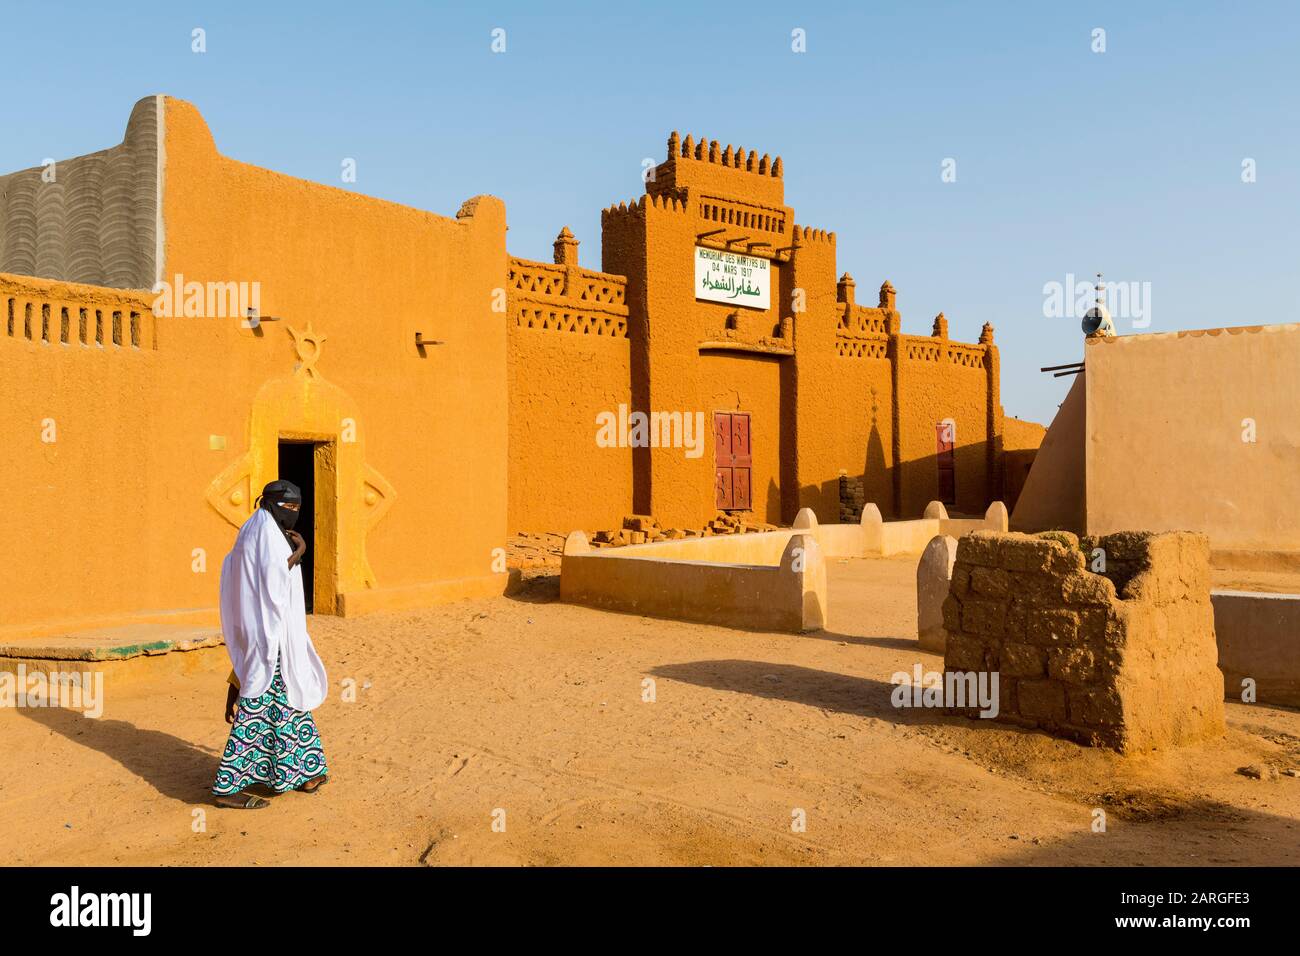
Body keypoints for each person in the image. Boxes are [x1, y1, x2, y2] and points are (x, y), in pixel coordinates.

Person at [212, 479, 330, 809]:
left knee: (289, 701)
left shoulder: (255, 527)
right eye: (288, 507)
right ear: (272, 503)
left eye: (298, 508)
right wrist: (300, 554)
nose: (293, 513)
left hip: (263, 632)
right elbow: (275, 581)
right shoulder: (265, 533)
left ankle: (307, 771)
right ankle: (227, 787)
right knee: (257, 707)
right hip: (270, 636)